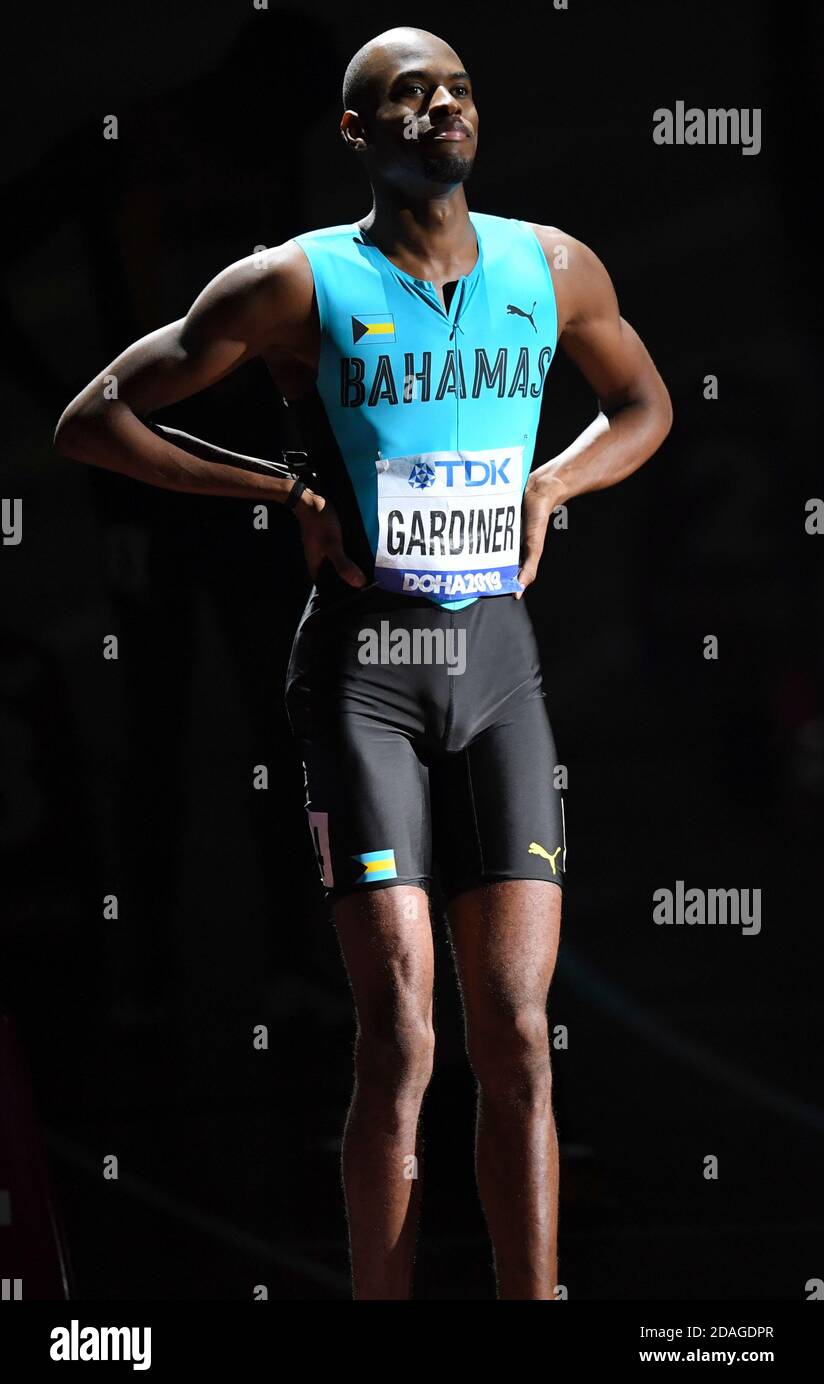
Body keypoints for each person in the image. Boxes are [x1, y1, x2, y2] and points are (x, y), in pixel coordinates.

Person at [55, 26, 672, 1299]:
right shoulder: (293, 284)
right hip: (362, 679)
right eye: (406, 94)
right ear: (356, 133)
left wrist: (552, 483)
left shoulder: (550, 266)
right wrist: (276, 490)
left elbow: (645, 404)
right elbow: (93, 417)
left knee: (513, 1037)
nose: (439, 105)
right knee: (399, 1033)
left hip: (498, 667)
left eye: (455, 89)